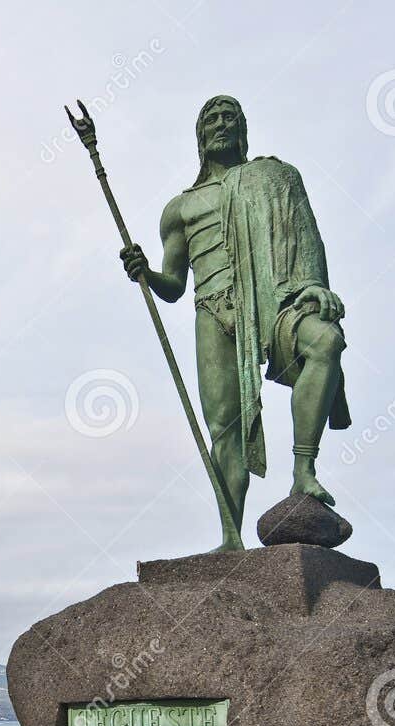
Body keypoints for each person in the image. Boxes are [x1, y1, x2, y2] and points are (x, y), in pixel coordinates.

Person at [119, 95, 350, 551]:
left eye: (230, 118)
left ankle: (304, 471)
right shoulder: (180, 209)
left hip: (274, 302)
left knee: (325, 341)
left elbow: (304, 234)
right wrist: (145, 272)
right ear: (200, 135)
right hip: (214, 310)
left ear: (242, 129)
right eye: (212, 118)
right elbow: (174, 284)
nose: (221, 124)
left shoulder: (274, 178)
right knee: (223, 428)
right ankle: (230, 538)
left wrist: (315, 285)